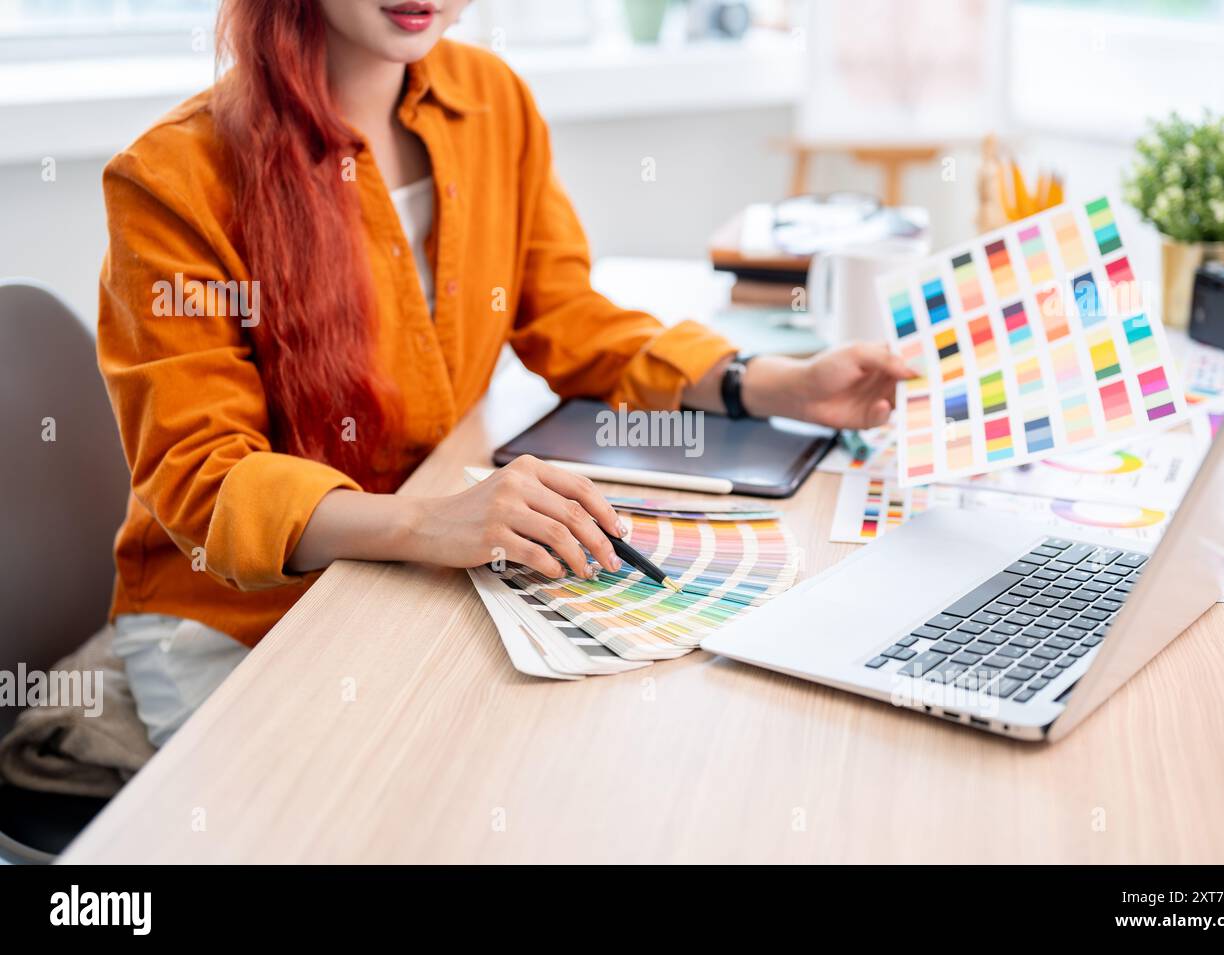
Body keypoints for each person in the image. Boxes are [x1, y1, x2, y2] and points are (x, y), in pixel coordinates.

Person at [97, 0, 911, 745]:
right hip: (236, 623)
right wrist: (427, 524)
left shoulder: (493, 100)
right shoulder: (173, 177)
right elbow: (206, 481)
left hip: (409, 584)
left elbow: (567, 317)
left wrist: (776, 383)